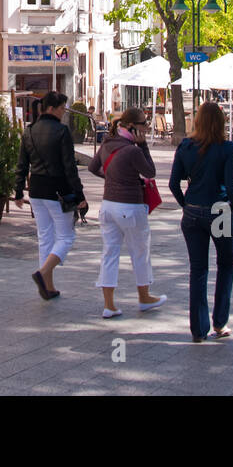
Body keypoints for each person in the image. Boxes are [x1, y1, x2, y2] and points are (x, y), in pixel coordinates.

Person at [169, 101, 233, 342]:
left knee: (198, 269)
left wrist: (185, 204)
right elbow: (231, 186)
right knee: (226, 264)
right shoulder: (227, 148)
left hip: (192, 212)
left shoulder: (185, 146)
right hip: (220, 211)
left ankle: (198, 329)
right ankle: (220, 322)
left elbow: (172, 183)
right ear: (220, 122)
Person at [91, 109, 164, 318]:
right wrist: (143, 145)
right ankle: (144, 297)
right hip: (130, 206)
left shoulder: (107, 143)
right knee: (140, 252)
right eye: (143, 123)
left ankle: (109, 304)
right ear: (131, 125)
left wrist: (112, 178)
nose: (146, 126)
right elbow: (150, 172)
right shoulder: (133, 150)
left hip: (108, 206)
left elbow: (93, 168)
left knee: (109, 254)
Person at [14, 90, 86, 300]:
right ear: (51, 108)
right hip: (57, 190)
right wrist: (79, 193)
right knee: (66, 236)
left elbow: (22, 164)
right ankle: (44, 273)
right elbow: (69, 166)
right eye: (62, 108)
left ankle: (48, 285)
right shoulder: (62, 131)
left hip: (36, 188)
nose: (64, 112)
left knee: (45, 237)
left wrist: (19, 190)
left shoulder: (29, 130)